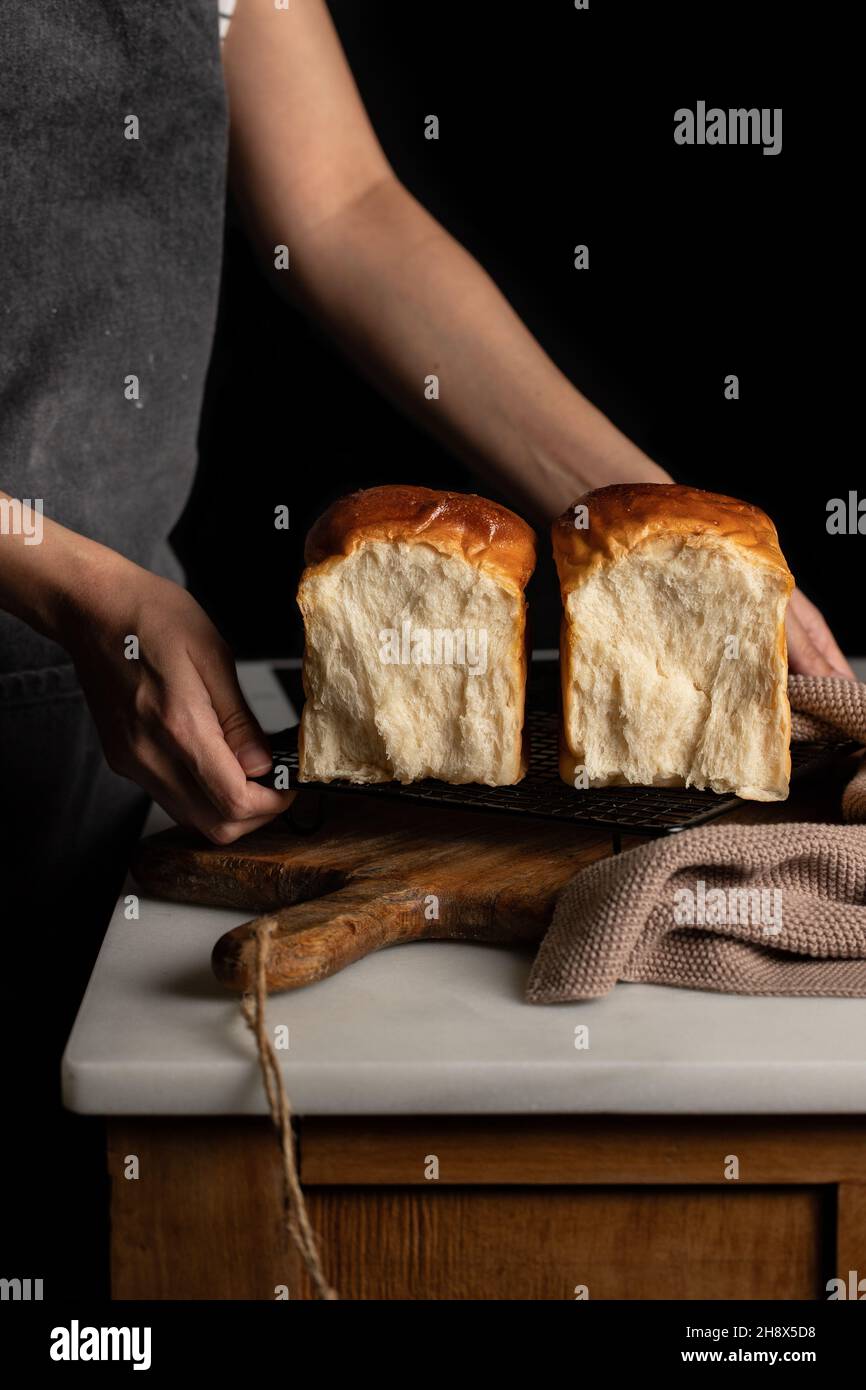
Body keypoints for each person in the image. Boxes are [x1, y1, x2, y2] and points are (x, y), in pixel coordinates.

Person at [0, 0, 854, 878]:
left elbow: (341, 207)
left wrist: (649, 520)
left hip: (123, 690)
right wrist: (73, 590)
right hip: (103, 623)